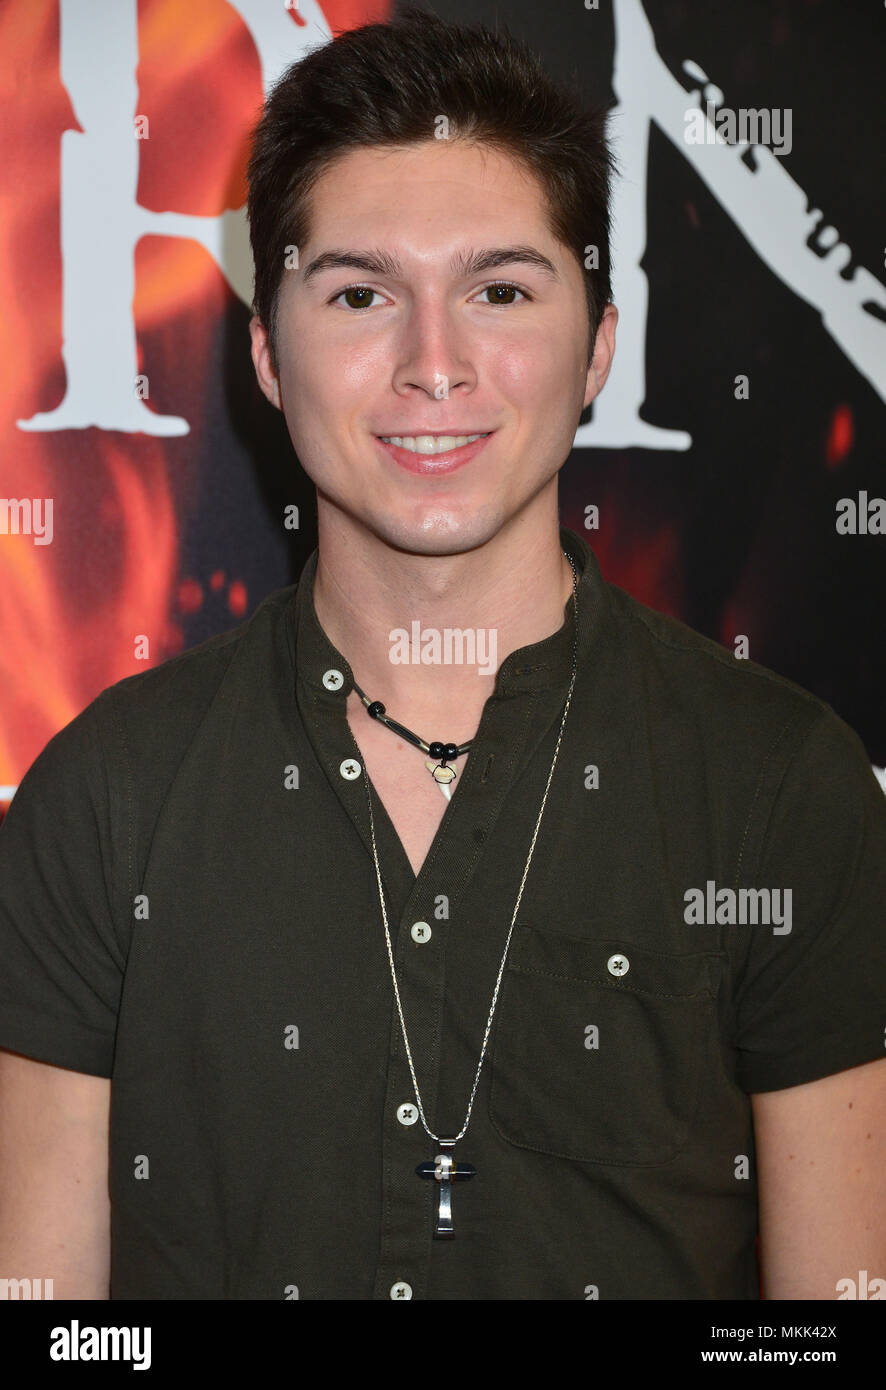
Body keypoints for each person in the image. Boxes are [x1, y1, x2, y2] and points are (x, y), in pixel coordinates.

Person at [1, 8, 884, 1302]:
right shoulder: (102, 796)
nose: (432, 364)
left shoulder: (780, 783)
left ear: (595, 347)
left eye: (499, 290)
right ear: (264, 348)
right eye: (360, 293)